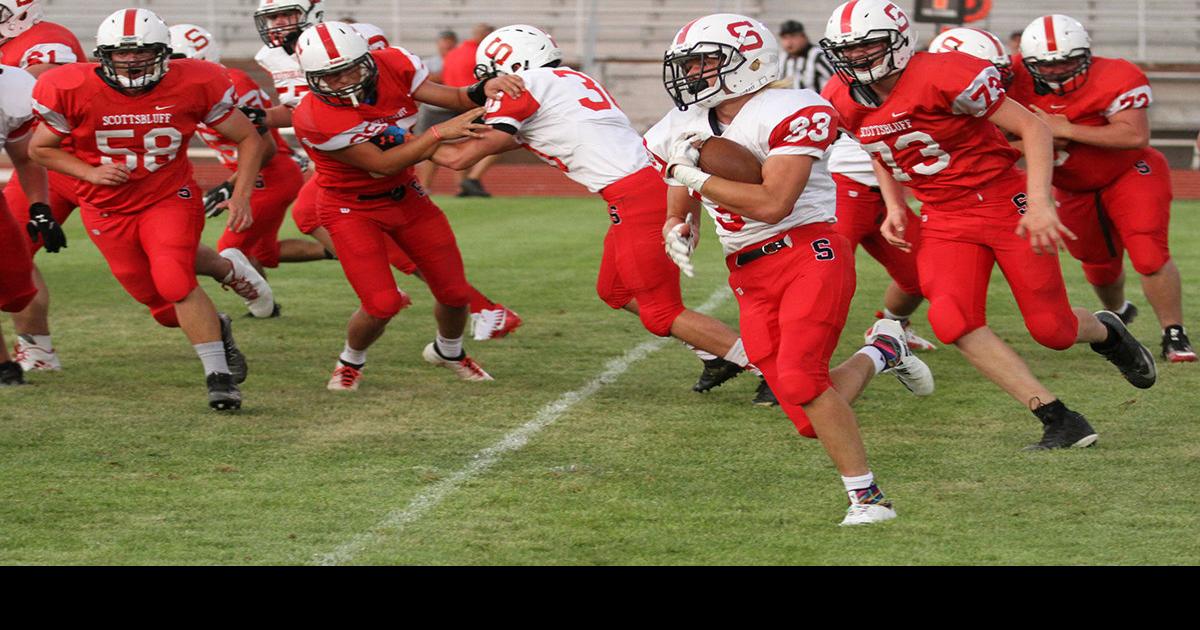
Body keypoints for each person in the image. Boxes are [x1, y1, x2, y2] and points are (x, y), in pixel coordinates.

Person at [820, 0, 1157, 450]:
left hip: (1003, 202)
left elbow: (1034, 129)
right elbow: (877, 146)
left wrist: (1038, 203)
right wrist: (896, 202)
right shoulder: (840, 95)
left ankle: (1108, 331)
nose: (858, 58)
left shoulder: (945, 73)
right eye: (849, 50)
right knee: (951, 320)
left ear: (899, 42)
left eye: (869, 46)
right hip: (943, 214)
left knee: (1052, 331)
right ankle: (1057, 418)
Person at [648, 14, 938, 525]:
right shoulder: (684, 121)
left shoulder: (791, 107)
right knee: (809, 416)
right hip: (747, 271)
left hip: (809, 252)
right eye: (688, 62)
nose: (692, 72)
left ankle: (869, 499)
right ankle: (883, 349)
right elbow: (679, 177)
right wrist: (679, 221)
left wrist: (695, 176)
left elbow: (774, 202)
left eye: (705, 60)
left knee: (804, 382)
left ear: (749, 62)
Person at [431, 24, 762, 396]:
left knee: (660, 311)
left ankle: (768, 368)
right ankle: (714, 355)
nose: (490, 85)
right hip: (650, 184)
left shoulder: (523, 88)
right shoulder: (570, 80)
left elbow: (459, 158)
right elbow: (511, 139)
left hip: (639, 196)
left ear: (512, 64)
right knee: (614, 289)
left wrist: (405, 142)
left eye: (492, 74)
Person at [29, 8, 270, 410]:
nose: (131, 60)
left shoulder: (197, 80)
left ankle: (219, 379)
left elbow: (250, 139)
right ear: (101, 55)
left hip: (167, 196)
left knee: (175, 280)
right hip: (105, 207)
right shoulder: (70, 86)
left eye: (142, 51)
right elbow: (40, 149)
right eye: (120, 53)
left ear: (164, 52)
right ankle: (218, 326)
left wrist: (241, 194)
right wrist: (89, 172)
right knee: (159, 307)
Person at [250, 1, 521, 340]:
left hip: (380, 137)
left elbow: (379, 98)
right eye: (271, 17)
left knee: (315, 212)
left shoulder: (361, 42)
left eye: (284, 15)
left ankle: (476, 305)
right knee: (310, 214)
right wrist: (258, 114)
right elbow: (303, 111)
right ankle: (402, 287)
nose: (276, 24)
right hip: (340, 146)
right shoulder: (274, 57)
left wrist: (411, 134)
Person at [1006, 15, 1193, 363]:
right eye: (1046, 65)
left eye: (1067, 61)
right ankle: (1119, 315)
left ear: (1087, 54)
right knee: (1098, 265)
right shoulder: (1008, 77)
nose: (1057, 71)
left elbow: (1134, 135)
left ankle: (1174, 332)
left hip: (1130, 171)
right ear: (1026, 62)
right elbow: (995, 140)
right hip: (1073, 186)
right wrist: (1040, 136)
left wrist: (1068, 129)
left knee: (1149, 253)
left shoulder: (1117, 75)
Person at [170, 24, 327, 297]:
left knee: (230, 248)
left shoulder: (231, 83)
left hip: (269, 173)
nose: (170, 69)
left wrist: (230, 185)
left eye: (177, 61)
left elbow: (262, 147)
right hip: (259, 172)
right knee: (263, 252)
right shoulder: (188, 88)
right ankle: (338, 251)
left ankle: (261, 305)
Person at [0, 0, 85, 372]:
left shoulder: (47, 41)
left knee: (156, 280)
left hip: (82, 161)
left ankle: (230, 271)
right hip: (42, 159)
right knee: (14, 261)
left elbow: (44, 95)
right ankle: (36, 352)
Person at [0, 62, 43, 385]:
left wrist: (39, 207)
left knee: (17, 288)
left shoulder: (12, 87)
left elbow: (25, 158)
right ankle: (4, 365)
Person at [435, 23, 499, 197]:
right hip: (474, 104)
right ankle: (472, 178)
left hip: (451, 104)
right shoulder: (480, 55)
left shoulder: (453, 53)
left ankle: (462, 187)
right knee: (500, 140)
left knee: (461, 144)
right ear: (486, 35)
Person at [779, 19, 833, 93]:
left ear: (804, 37)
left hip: (817, 103)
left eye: (793, 36)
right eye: (784, 38)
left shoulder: (818, 56)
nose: (789, 42)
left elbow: (837, 81)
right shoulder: (783, 58)